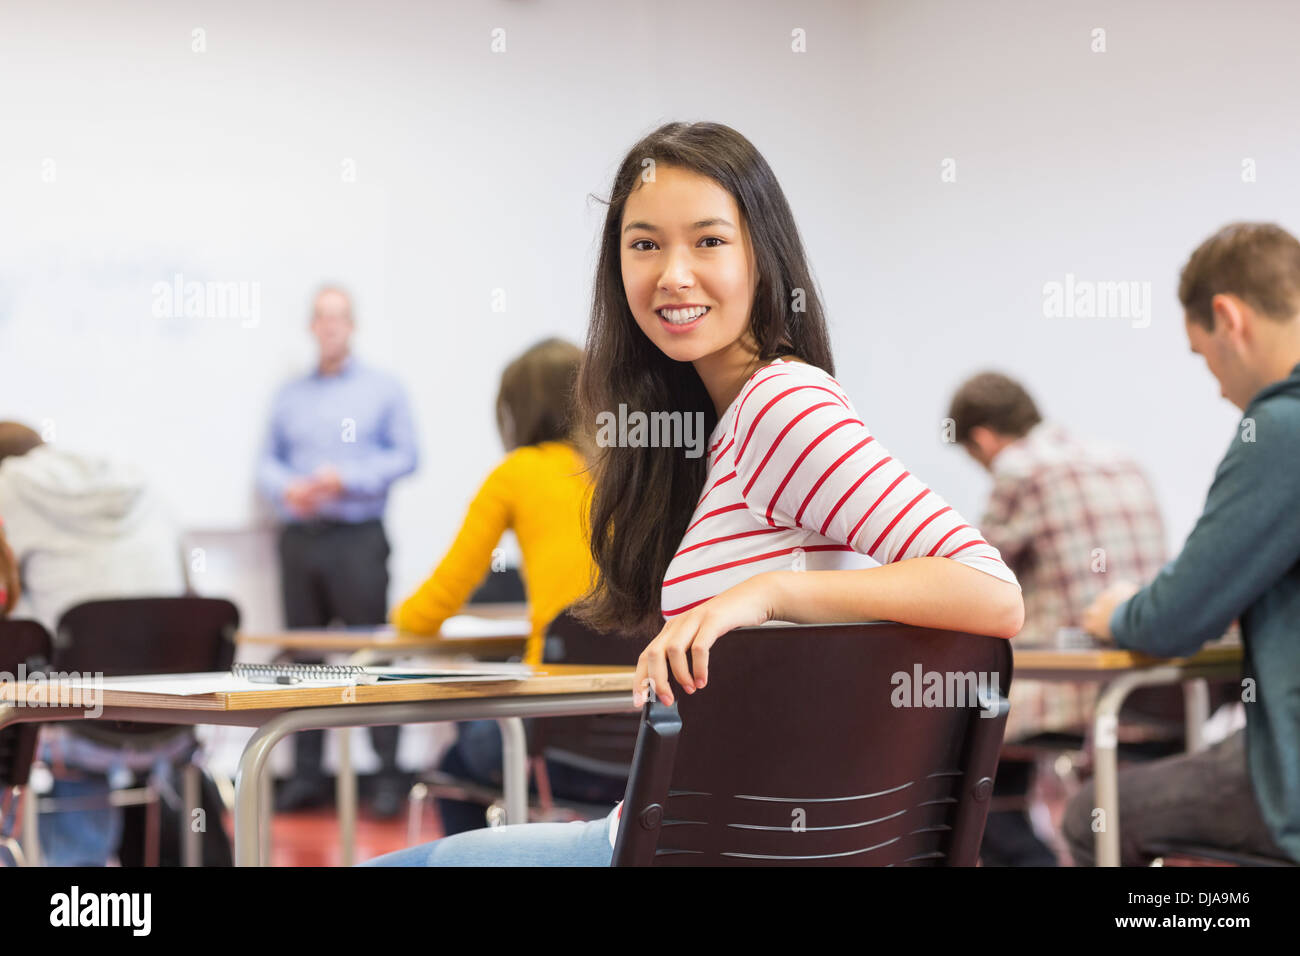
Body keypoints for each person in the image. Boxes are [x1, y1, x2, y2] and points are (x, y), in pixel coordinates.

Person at [361, 121, 1023, 866]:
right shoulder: (716, 429)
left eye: (708, 241)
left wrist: (769, 595)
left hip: (699, 845)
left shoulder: (784, 405)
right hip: (686, 834)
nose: (673, 273)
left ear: (762, 260)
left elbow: (990, 591)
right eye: (645, 244)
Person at [1065, 222, 1300, 865]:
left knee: (1093, 814)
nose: (1218, 385)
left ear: (1229, 318)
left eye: (1205, 357)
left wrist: (1116, 610)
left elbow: (1172, 619)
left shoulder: (1280, 428)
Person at [393, 337, 624, 833]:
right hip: (651, 742)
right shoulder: (629, 472)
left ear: (514, 411)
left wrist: (402, 621)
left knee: (457, 761)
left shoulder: (518, 472)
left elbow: (441, 596)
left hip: (549, 741)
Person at [946, 372, 1168, 865]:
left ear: (981, 437)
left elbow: (973, 576)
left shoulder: (1020, 471)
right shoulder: (1120, 459)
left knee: (963, 772)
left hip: (1071, 691)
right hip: (1154, 691)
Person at [0, 421, 195, 866]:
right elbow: (192, 598)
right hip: (172, 716)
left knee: (32, 694)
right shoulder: (143, 485)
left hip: (72, 724)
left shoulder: (7, 490)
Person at [257, 286, 418, 817]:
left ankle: (389, 778)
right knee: (303, 656)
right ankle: (307, 778)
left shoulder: (383, 388)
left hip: (357, 537)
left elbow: (407, 455)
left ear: (352, 325)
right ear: (311, 327)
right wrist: (290, 489)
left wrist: (341, 479)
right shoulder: (288, 395)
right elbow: (266, 463)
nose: (330, 327)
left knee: (371, 653)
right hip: (301, 538)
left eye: (338, 318)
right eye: (321, 318)